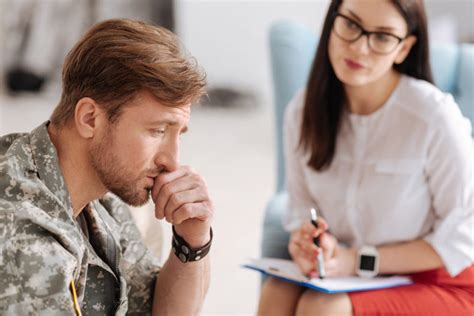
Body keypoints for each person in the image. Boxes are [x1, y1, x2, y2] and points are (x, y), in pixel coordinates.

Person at [258, 0, 473, 315]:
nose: (359, 47)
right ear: (333, 23)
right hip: (357, 275)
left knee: (323, 307)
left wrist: (355, 260)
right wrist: (311, 243)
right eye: (351, 25)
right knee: (277, 289)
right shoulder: (303, 111)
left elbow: (463, 235)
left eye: (383, 36)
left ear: (403, 48)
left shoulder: (434, 117)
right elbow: (303, 211)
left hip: (446, 282)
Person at [0, 19, 213, 315]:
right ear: (89, 118)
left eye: (178, 133)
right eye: (157, 131)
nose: (172, 161)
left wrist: (193, 240)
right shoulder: (24, 242)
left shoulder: (99, 198)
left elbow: (155, 309)